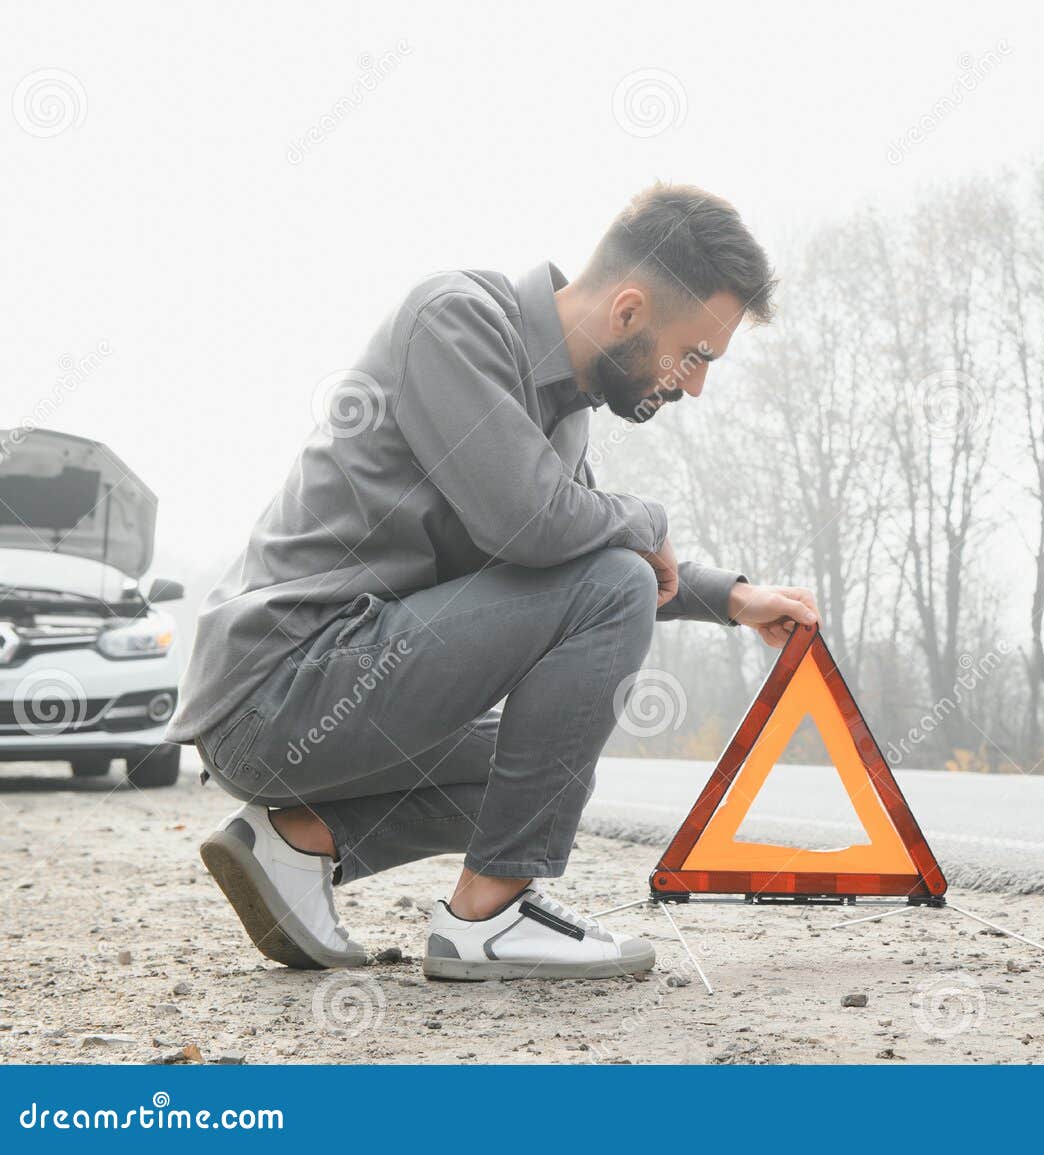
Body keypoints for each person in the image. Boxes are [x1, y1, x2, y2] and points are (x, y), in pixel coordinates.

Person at [167, 184, 818, 981]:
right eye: (695, 355)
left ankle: (300, 846)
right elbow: (538, 527)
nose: (693, 385)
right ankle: (490, 916)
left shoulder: (563, 412)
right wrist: (647, 517)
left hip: (329, 687)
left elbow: (570, 550)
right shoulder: (456, 320)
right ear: (628, 311)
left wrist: (731, 598)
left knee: (540, 774)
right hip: (276, 686)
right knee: (609, 581)